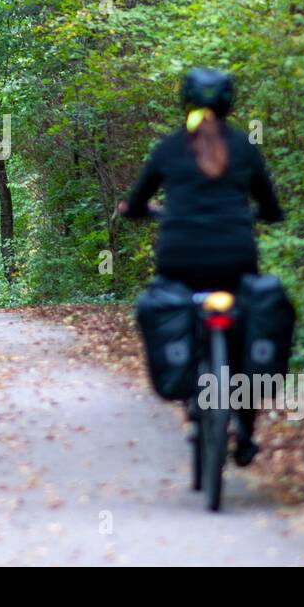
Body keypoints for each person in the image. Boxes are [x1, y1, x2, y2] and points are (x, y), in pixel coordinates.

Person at [117, 67, 283, 467]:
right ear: (230, 103)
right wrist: (266, 214)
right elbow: (271, 205)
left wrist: (140, 211)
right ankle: (244, 428)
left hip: (180, 257)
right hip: (235, 258)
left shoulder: (170, 148)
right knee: (244, 329)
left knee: (176, 307)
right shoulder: (244, 148)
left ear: (184, 101)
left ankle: (192, 383)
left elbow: (137, 201)